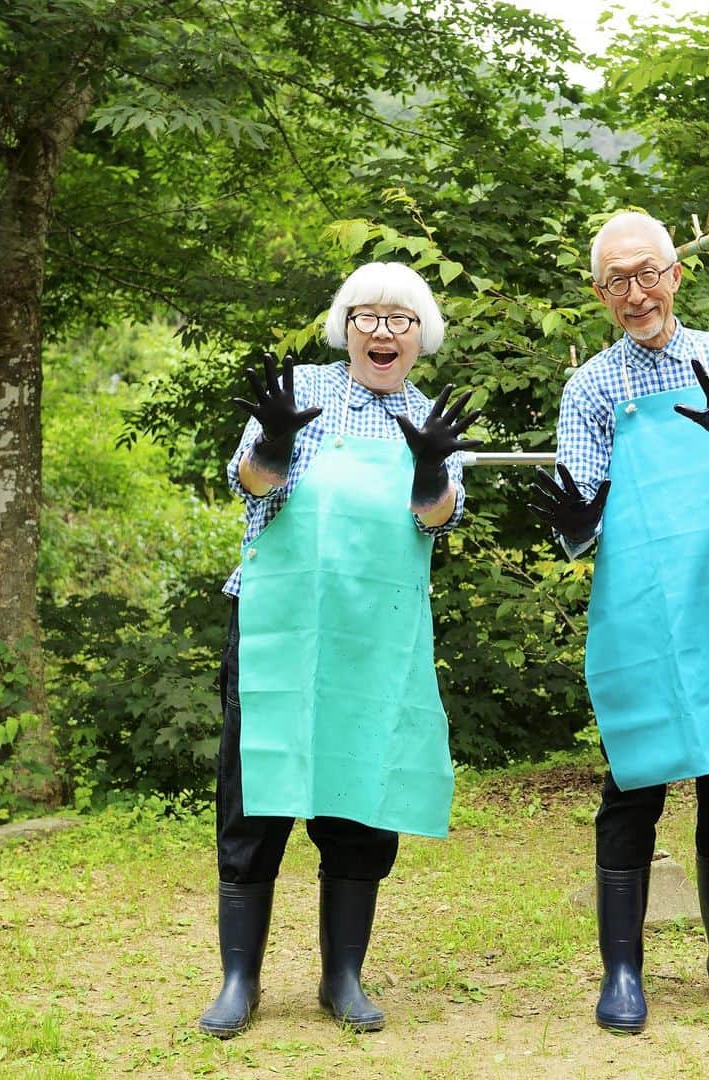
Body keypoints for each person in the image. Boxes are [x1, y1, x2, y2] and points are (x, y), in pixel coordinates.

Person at [529, 211, 709, 1034]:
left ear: (675, 274)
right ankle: (623, 970)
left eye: (647, 272)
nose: (635, 292)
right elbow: (580, 523)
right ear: (598, 293)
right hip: (642, 608)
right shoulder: (590, 388)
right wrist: (576, 517)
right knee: (634, 783)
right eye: (616, 280)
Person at [199, 261, 481, 1039]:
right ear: (344, 326)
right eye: (368, 316)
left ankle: (341, 978)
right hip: (276, 632)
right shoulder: (297, 397)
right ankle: (238, 981)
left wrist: (430, 469)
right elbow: (250, 484)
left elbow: (436, 519)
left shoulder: (433, 417)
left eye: (400, 319)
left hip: (374, 641)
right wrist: (276, 445)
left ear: (422, 336)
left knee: (361, 800)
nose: (383, 331)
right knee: (254, 796)